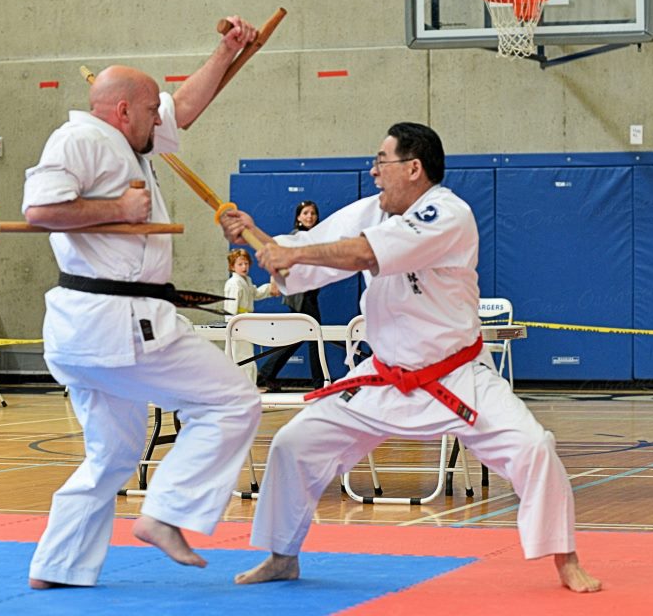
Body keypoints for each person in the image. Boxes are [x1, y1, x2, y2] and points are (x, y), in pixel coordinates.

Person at [219, 122, 601, 593]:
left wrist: (287, 253)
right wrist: (254, 233)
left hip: (456, 377)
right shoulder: (371, 211)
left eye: (382, 161)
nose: (375, 172)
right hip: (383, 378)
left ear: (414, 168)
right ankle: (282, 555)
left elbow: (360, 255)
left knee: (535, 448)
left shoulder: (447, 213)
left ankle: (565, 559)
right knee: (293, 444)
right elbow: (308, 251)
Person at [21, 17, 263, 589]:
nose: (162, 118)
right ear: (123, 111)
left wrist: (226, 51)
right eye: (152, 109)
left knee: (113, 454)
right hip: (119, 322)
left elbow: (185, 106)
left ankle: (56, 566)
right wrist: (121, 214)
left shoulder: (127, 144)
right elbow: (39, 211)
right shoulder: (80, 139)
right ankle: (165, 513)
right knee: (233, 401)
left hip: (90, 331)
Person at [257, 201, 326, 390]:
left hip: (308, 293)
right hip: (300, 296)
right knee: (315, 336)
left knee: (300, 336)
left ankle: (267, 373)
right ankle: (320, 383)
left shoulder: (314, 237)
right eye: (305, 213)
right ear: (298, 217)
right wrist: (274, 281)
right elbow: (277, 256)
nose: (309, 216)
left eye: (313, 213)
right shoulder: (296, 237)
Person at [224, 248, 276, 382]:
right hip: (238, 325)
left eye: (246, 263)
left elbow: (256, 293)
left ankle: (248, 386)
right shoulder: (234, 284)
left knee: (247, 355)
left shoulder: (246, 280)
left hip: (245, 323)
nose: (244, 267)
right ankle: (241, 386)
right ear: (232, 266)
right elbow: (230, 309)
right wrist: (231, 327)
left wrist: (271, 287)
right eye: (240, 264)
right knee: (240, 356)